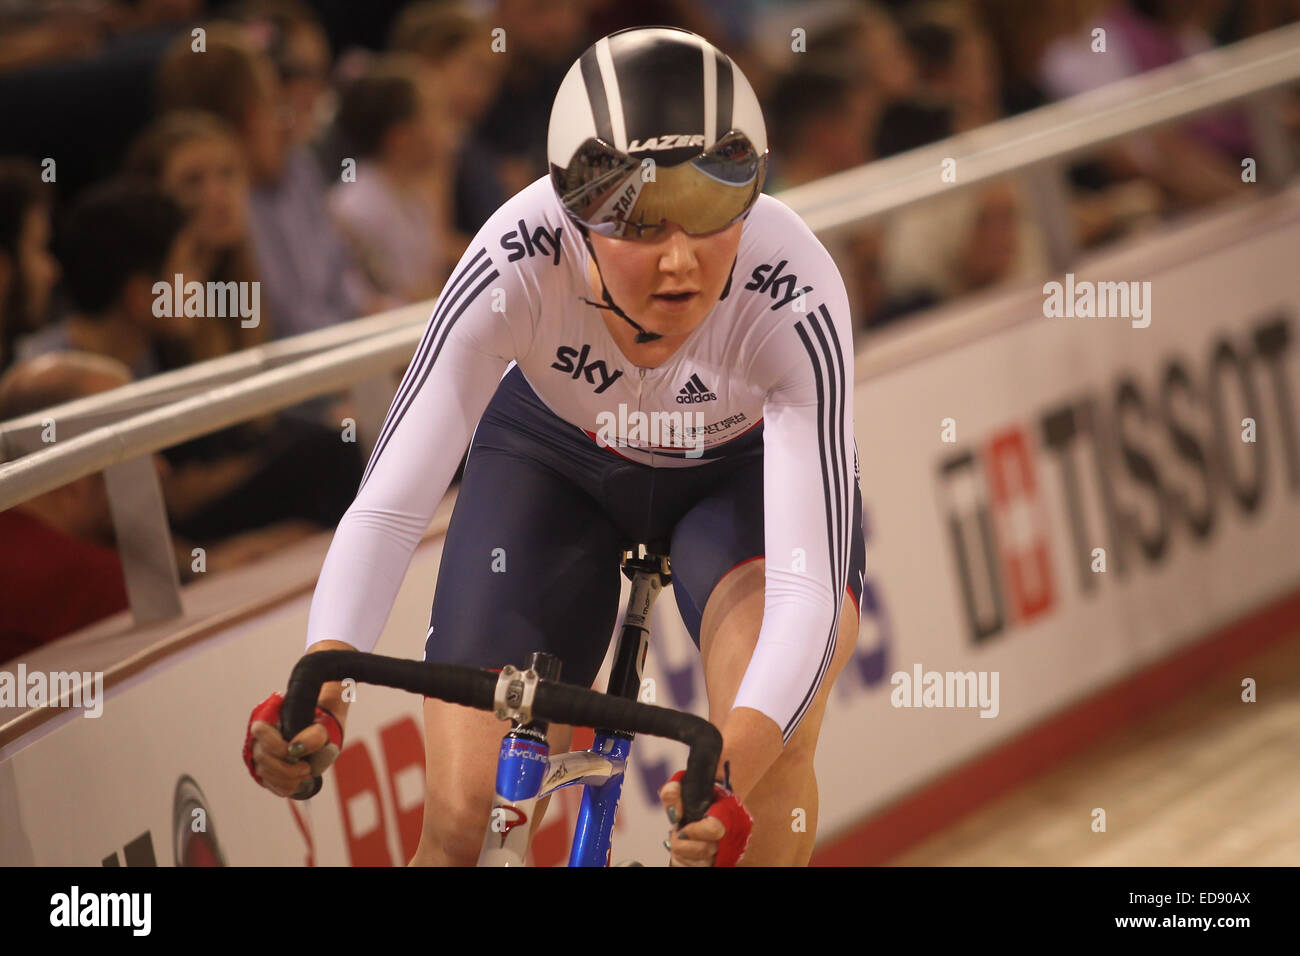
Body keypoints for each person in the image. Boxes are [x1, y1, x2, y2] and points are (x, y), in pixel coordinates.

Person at [245, 27, 866, 867]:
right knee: (468, 821)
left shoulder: (794, 286)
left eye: (714, 208)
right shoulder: (512, 259)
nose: (681, 259)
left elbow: (808, 595)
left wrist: (728, 774)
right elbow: (389, 508)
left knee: (766, 758)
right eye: (642, 222)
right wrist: (322, 681)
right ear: (574, 214)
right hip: (555, 459)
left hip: (735, 476)